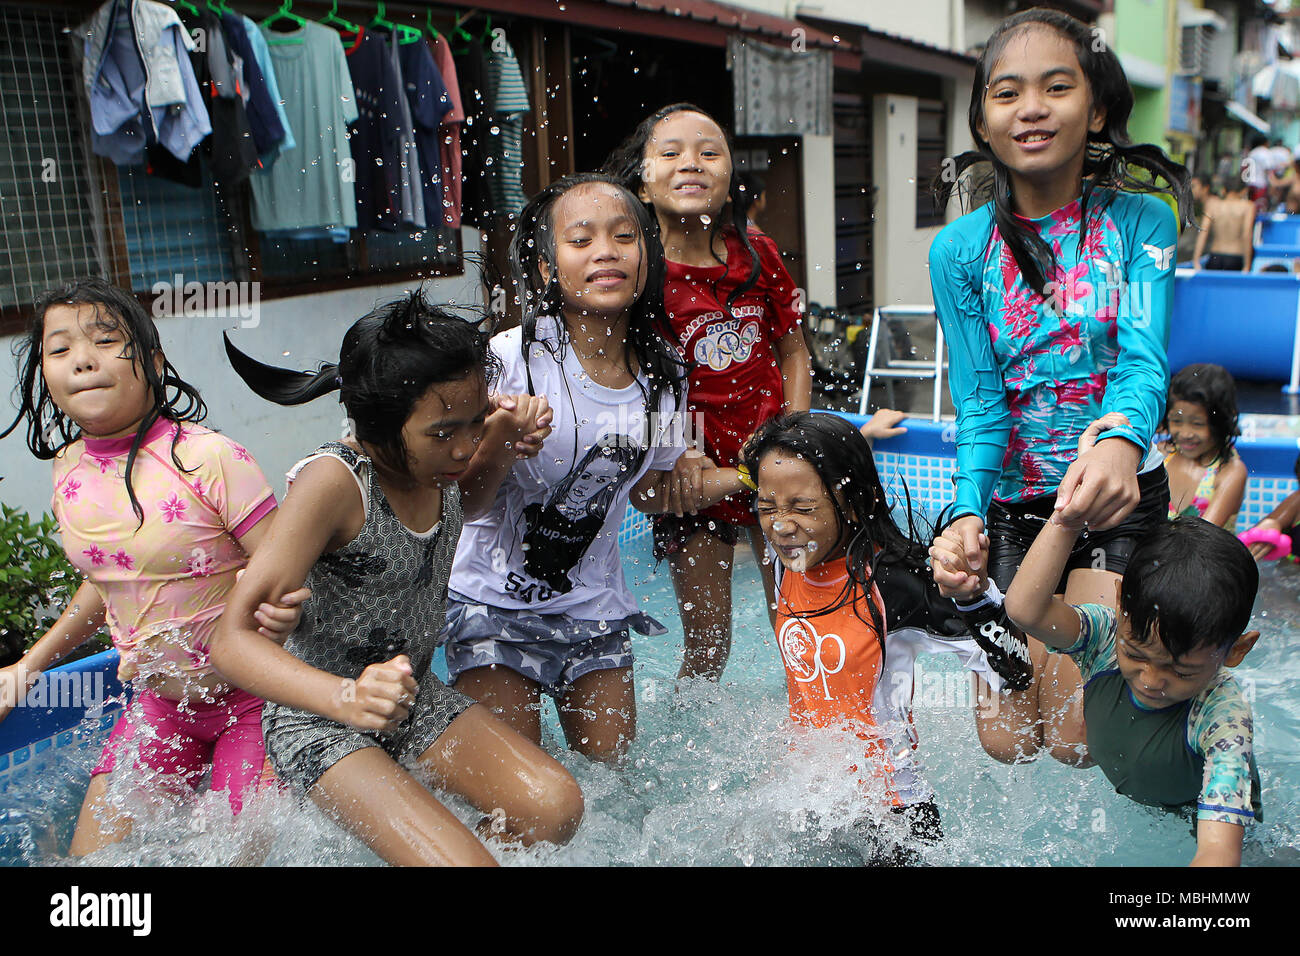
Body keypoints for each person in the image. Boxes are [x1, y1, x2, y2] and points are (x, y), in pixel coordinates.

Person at [214, 292, 584, 866]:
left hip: (406, 700)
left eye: (474, 421)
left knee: (554, 808)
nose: (464, 447)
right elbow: (229, 641)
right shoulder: (334, 483)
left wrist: (502, 439)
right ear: (381, 423)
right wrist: (346, 698)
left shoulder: (439, 464)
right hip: (318, 716)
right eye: (443, 433)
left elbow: (471, 501)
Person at [928, 7, 1189, 766]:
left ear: (1097, 108)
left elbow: (1143, 359)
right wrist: (966, 513)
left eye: (1057, 87)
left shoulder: (1144, 223)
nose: (1032, 108)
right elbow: (980, 403)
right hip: (1014, 507)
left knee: (1076, 740)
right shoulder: (959, 251)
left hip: (1117, 499)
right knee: (1007, 742)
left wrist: (1117, 439)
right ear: (982, 119)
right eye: (1007, 93)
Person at [0, 278, 306, 856]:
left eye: (105, 341)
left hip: (255, 700)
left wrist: (281, 606)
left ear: (155, 361)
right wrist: (27, 666)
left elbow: (284, 566)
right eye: (60, 350)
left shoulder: (209, 457)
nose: (83, 362)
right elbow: (107, 584)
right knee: (89, 866)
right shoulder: (68, 470)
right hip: (161, 705)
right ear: (46, 375)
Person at [443, 173, 744, 761]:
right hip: (491, 609)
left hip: (594, 611)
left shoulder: (666, 375)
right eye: (581, 240)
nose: (605, 251)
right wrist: (502, 437)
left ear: (646, 257)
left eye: (623, 237)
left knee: (613, 785)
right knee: (519, 803)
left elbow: (651, 495)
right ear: (548, 267)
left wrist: (748, 476)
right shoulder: (513, 358)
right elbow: (465, 504)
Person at [744, 412, 1032, 861]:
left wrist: (976, 597)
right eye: (766, 507)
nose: (780, 525)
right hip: (810, 797)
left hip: (893, 812)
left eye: (801, 509)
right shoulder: (788, 559)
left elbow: (1016, 667)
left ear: (851, 503)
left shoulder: (893, 582)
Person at [604, 103, 814, 680]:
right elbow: (631, 382)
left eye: (708, 151)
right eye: (669, 153)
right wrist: (674, 452)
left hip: (774, 465)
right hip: (694, 474)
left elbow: (794, 351)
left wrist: (793, 438)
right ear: (642, 184)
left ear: (728, 179)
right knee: (708, 646)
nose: (690, 163)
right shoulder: (638, 276)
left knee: (800, 626)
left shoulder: (758, 253)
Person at [999, 514, 1262, 867]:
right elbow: (1025, 611)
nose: (1151, 680)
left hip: (1199, 816)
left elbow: (1218, 852)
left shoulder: (1222, 716)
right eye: (1136, 655)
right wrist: (1067, 522)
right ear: (1120, 602)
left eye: (1181, 670)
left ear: (1236, 651)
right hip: (1142, 793)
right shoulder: (1105, 638)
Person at [1159, 364, 1246, 530]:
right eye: (1176, 421)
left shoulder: (1229, 472)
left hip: (1203, 552)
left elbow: (1201, 536)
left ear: (1220, 423)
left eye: (1197, 424)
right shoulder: (1163, 454)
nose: (1185, 433)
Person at [1193, 178, 1255, 272]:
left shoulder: (1213, 205)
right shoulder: (1248, 207)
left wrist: (1196, 260)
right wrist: (1247, 264)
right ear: (1244, 191)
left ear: (1224, 190)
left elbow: (1203, 232)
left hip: (1216, 256)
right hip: (1236, 256)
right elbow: (1247, 234)